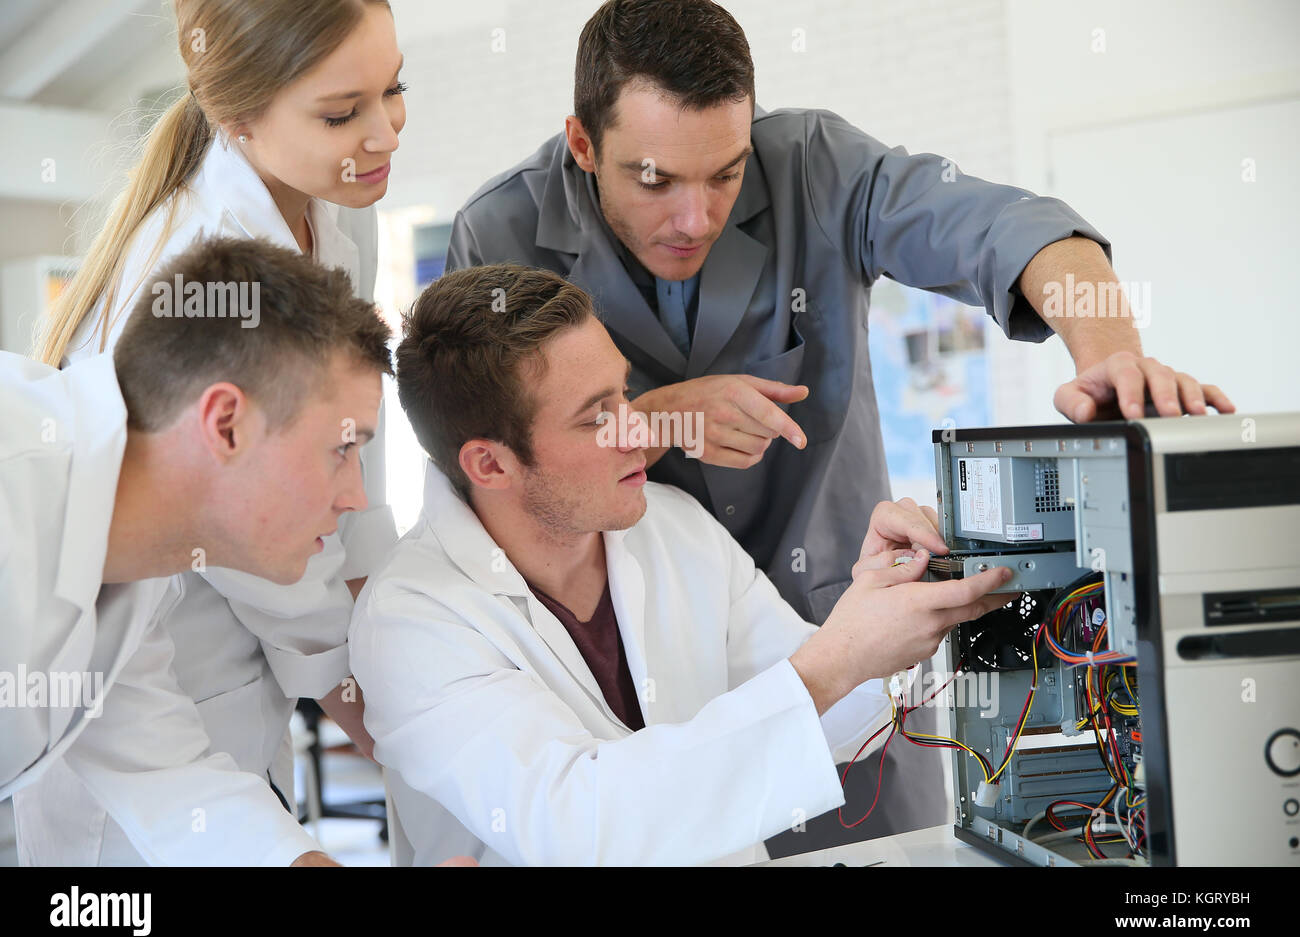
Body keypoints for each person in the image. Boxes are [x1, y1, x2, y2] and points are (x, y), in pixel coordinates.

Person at [440, 0, 1234, 843]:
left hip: (846, 658)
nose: (695, 218)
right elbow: (486, 466)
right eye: (654, 180)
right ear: (583, 144)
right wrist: (652, 418)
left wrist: (1108, 352)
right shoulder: (496, 234)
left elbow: (1005, 227)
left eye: (726, 174)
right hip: (635, 685)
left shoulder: (815, 166)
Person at [349, 264, 1013, 865]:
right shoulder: (411, 620)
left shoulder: (673, 528)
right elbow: (576, 827)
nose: (640, 429)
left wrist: (883, 608)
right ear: (490, 464)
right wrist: (837, 658)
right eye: (596, 418)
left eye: (623, 394)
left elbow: (822, 713)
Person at [20, 0, 405, 864]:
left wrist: (379, 642)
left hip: (205, 690)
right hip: (170, 683)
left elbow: (352, 465)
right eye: (343, 113)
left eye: (394, 90)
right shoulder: (199, 259)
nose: (383, 133)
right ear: (240, 119)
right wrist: (346, 676)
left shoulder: (340, 209)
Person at [2, 237, 387, 866]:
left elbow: (169, 777)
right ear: (226, 424)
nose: (356, 498)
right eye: (342, 448)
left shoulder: (134, 565)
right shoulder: (13, 482)